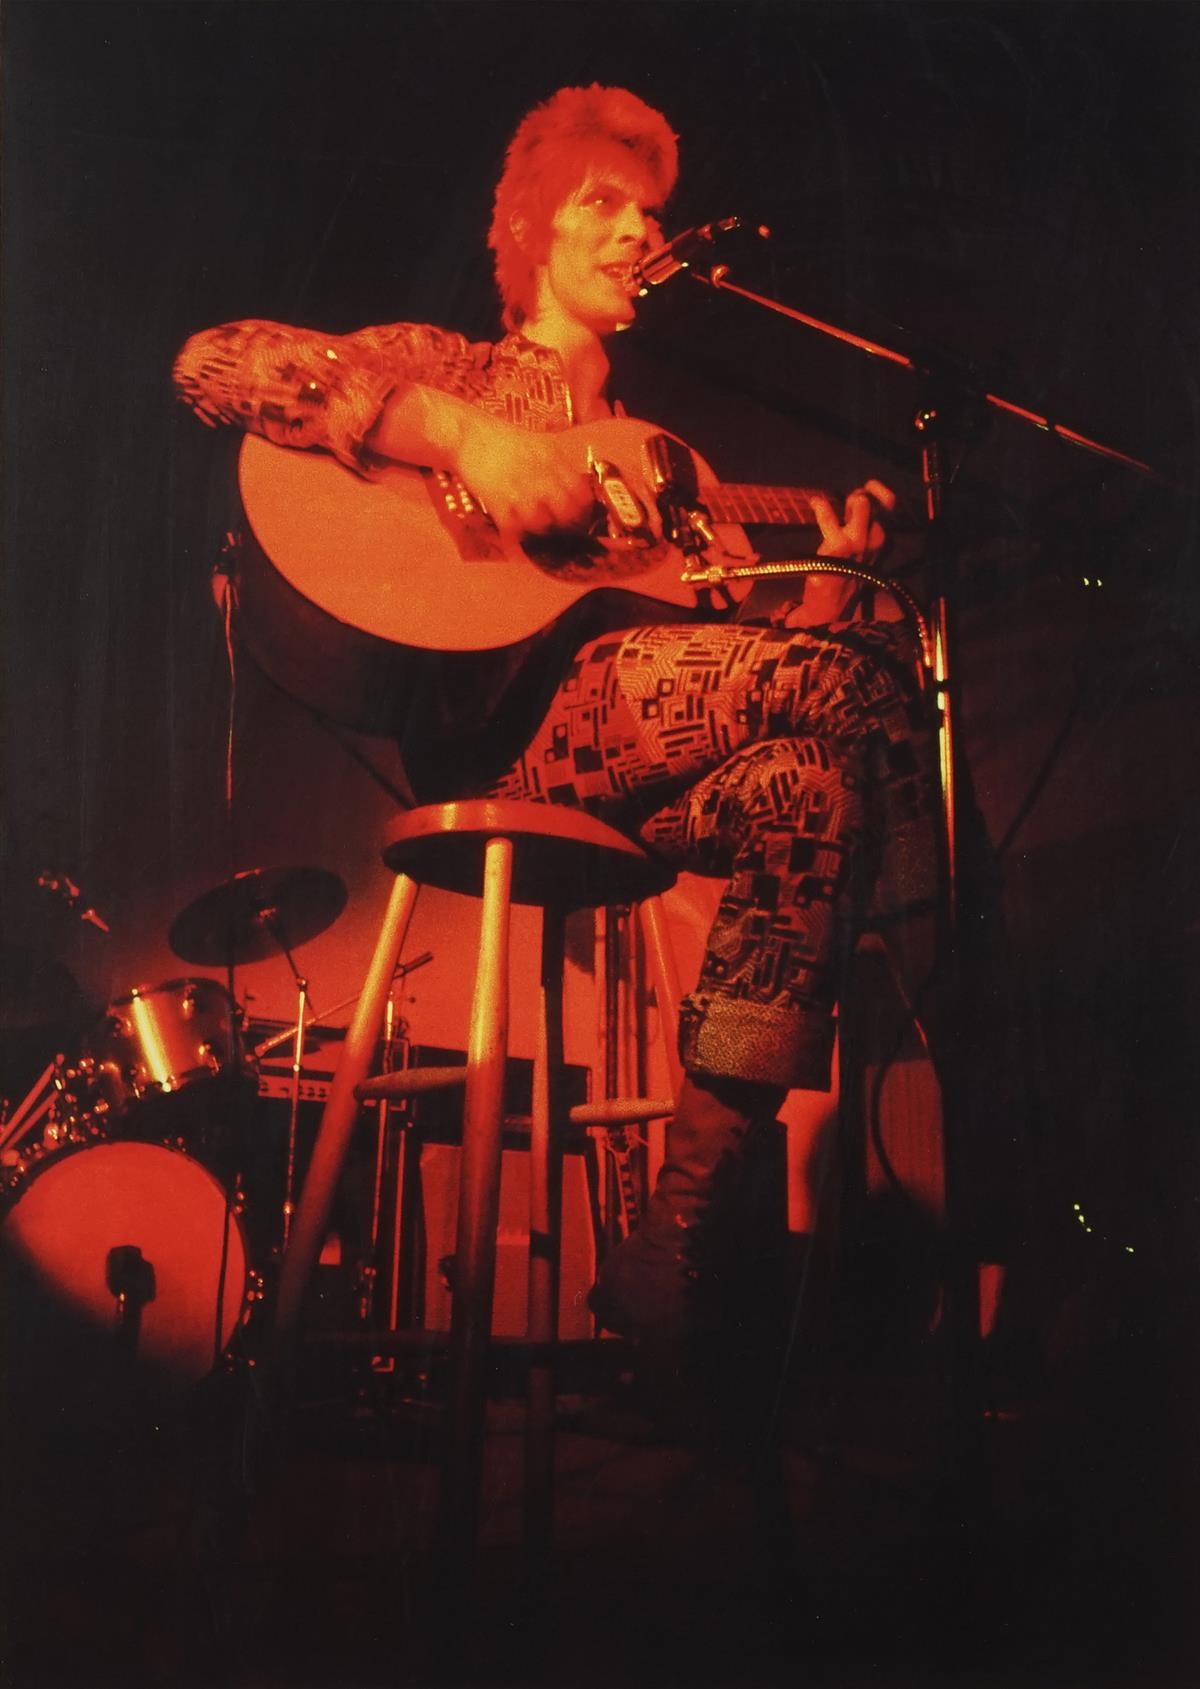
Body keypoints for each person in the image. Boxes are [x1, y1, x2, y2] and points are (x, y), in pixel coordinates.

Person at [173, 84, 936, 1349]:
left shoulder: (672, 470)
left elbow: (751, 677)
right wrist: (468, 439)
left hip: (647, 748)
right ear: (532, 233)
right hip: (511, 728)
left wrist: (820, 596)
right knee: (858, 703)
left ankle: (677, 1234)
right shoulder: (457, 370)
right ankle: (938, 1039)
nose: (639, 232)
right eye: (603, 204)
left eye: (650, 212)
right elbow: (215, 364)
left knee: (818, 781)